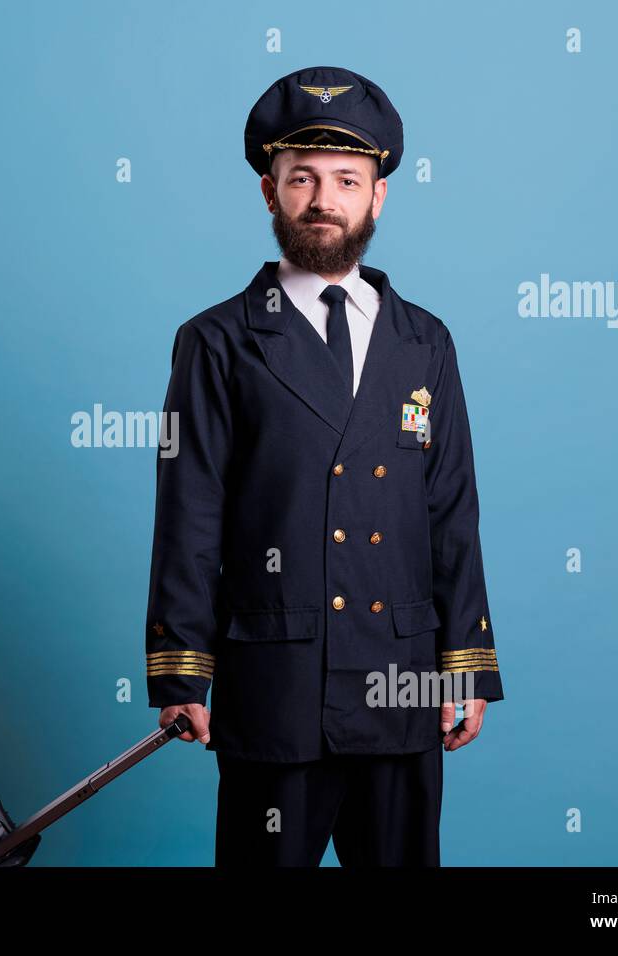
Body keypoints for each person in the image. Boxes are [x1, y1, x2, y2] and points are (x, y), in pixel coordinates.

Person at [142, 65, 504, 866]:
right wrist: (180, 673)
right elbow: (190, 514)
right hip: (277, 679)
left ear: (379, 196)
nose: (323, 198)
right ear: (269, 193)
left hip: (402, 683)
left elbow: (451, 511)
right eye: (300, 177)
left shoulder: (425, 341)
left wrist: (465, 664)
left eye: (347, 178)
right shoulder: (217, 341)